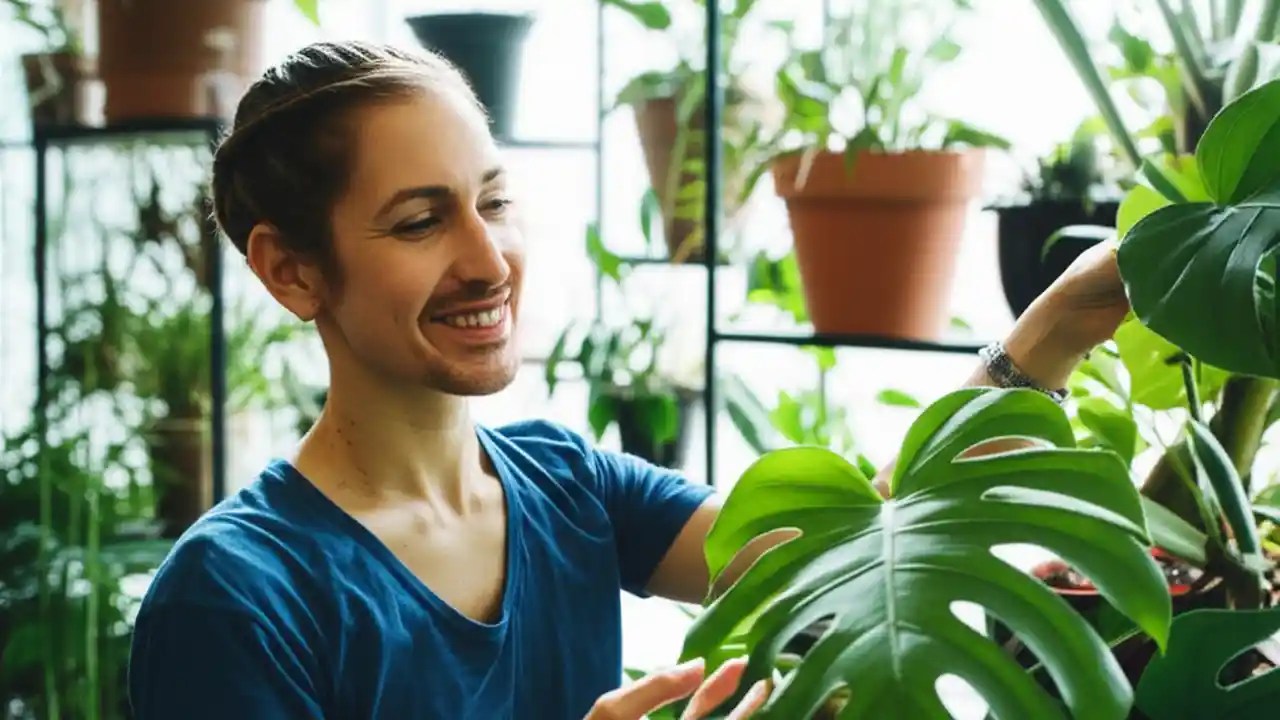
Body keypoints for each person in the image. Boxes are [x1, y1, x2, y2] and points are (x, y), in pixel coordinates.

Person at [126, 40, 1132, 720]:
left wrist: (1059, 324)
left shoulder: (565, 485)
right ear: (290, 269)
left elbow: (870, 545)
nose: (489, 260)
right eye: (421, 221)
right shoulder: (235, 600)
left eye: (494, 200)